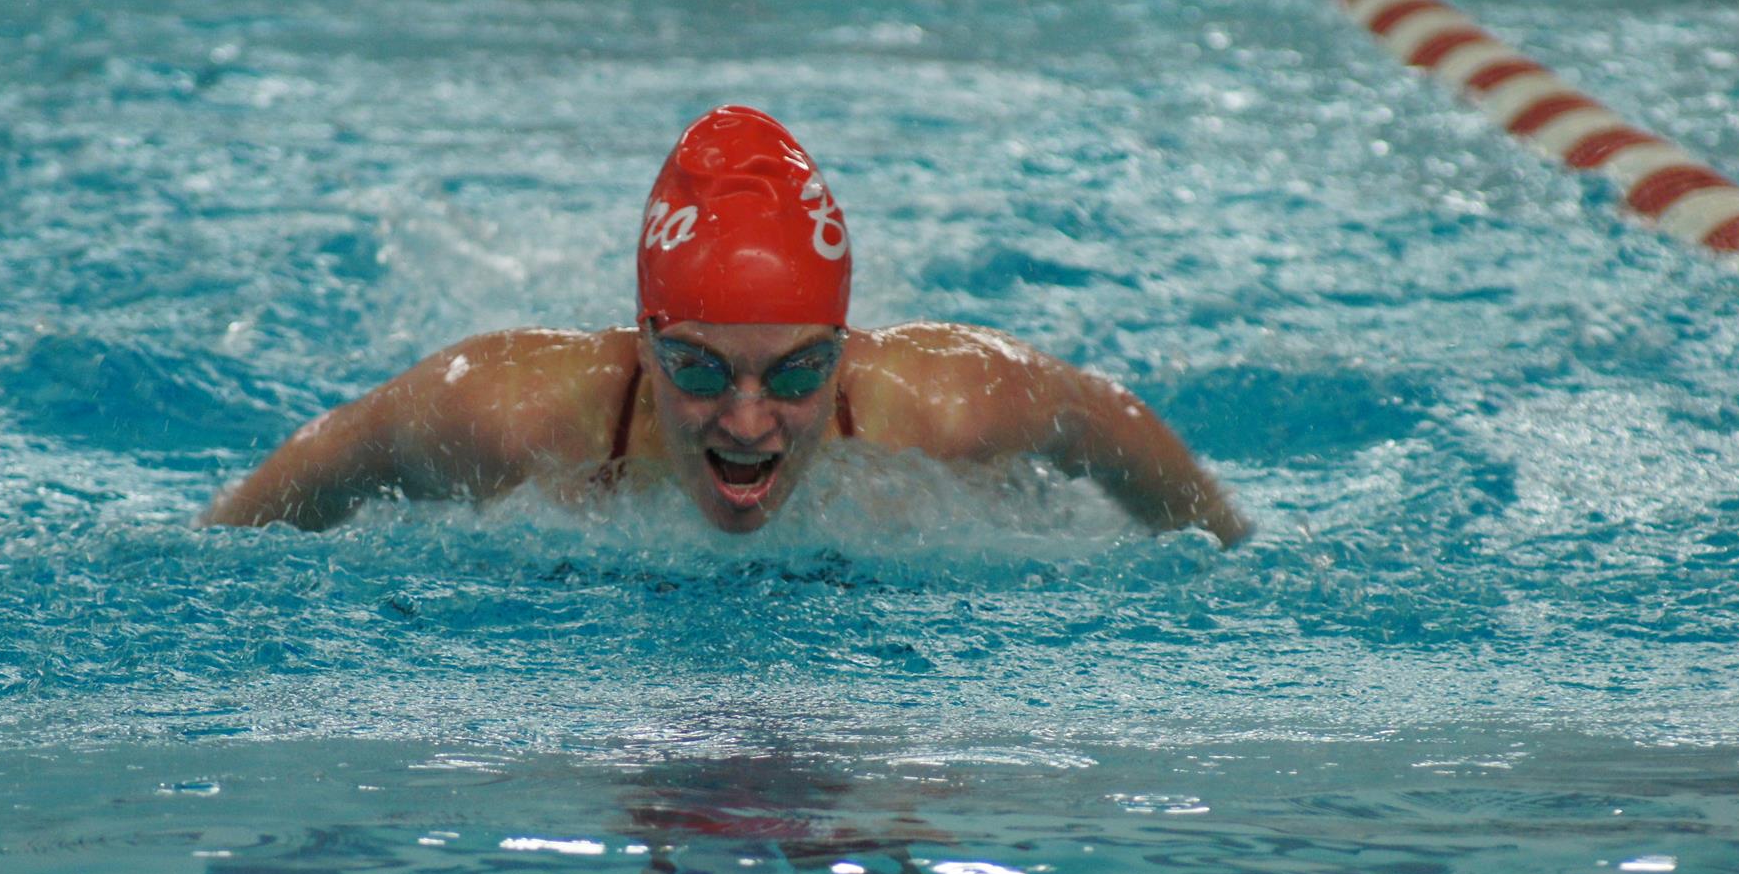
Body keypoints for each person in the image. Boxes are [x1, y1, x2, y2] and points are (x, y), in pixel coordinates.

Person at [202, 105, 1250, 546]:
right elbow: (318, 468)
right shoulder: (508, 411)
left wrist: (1233, 550)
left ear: (843, 351)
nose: (747, 421)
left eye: (795, 374)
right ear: (643, 341)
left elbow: (1098, 417)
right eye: (698, 368)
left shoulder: (947, 403)